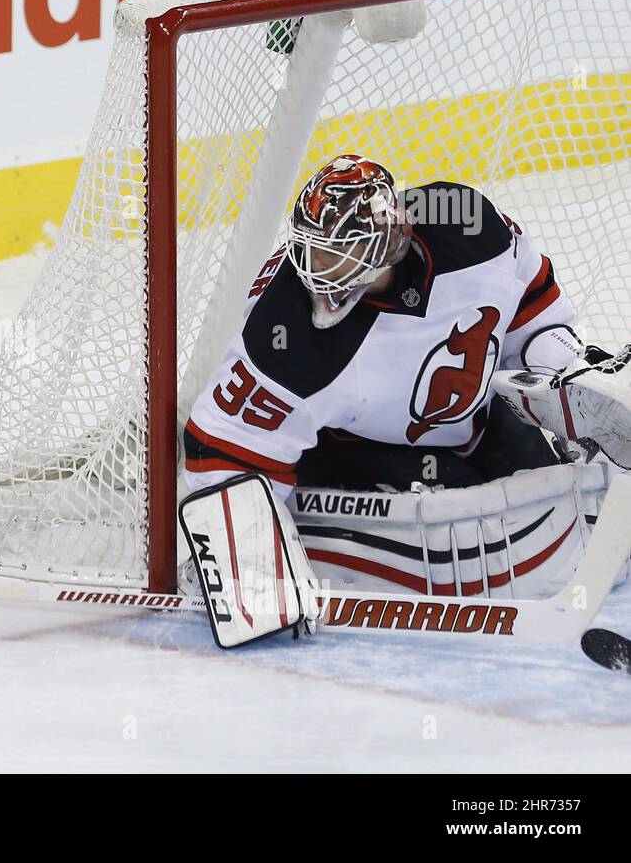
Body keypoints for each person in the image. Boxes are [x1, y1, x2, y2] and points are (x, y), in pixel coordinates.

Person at [182, 153, 619, 599]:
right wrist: (243, 559)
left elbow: (528, 292)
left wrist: (562, 365)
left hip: (477, 417)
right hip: (360, 448)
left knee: (567, 497)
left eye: (335, 254)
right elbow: (217, 444)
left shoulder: (466, 224)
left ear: (386, 245)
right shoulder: (287, 329)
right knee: (479, 523)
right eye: (312, 249)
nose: (315, 269)